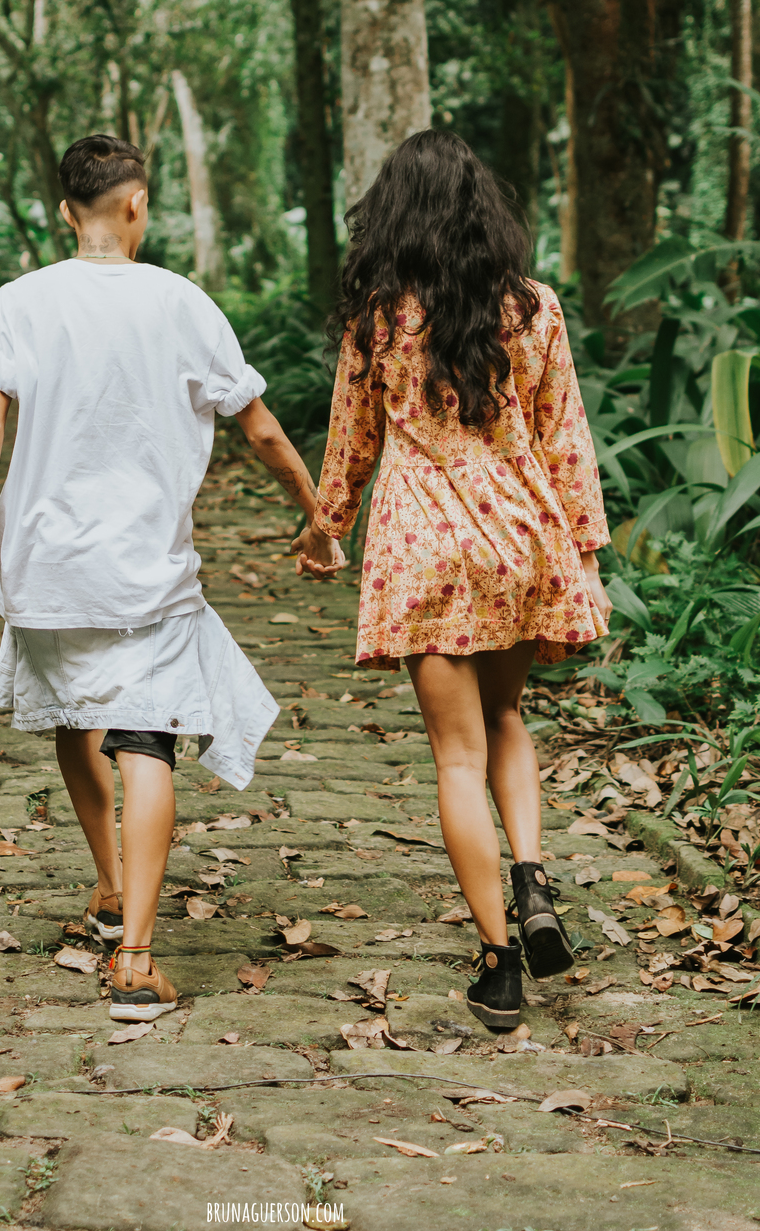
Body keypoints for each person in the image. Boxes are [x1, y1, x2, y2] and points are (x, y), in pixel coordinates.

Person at [0, 134, 343, 1023]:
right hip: (145, 568)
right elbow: (264, 433)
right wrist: (317, 516)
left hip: (44, 559)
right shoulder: (183, 303)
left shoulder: (21, 300)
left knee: (73, 715)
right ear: (137, 205)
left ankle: (107, 884)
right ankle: (135, 955)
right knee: (145, 737)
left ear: (66, 212)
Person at [300, 129, 612, 1030]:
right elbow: (566, 441)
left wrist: (326, 529)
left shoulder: (379, 315)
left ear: (392, 214)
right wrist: (582, 562)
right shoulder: (534, 308)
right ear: (484, 210)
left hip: (424, 549)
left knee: (456, 756)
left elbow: (352, 437)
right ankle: (533, 877)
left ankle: (497, 960)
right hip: (519, 538)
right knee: (508, 717)